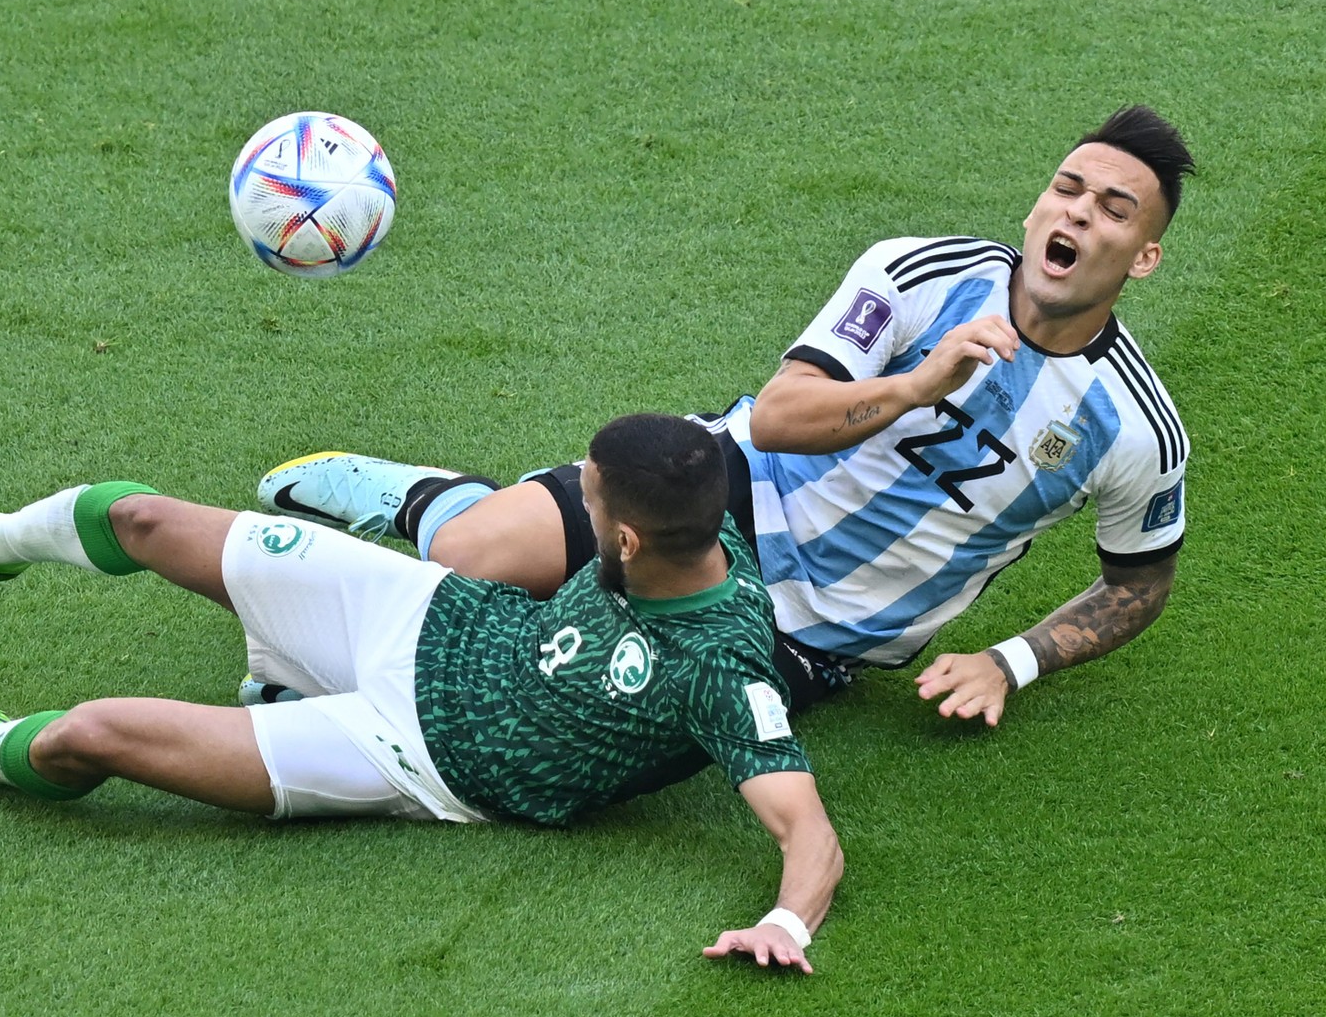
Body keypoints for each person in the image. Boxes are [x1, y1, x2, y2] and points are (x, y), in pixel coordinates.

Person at [257, 105, 1195, 727]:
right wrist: (915, 386)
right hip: (730, 482)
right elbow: (784, 416)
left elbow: (1138, 585)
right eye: (1067, 189)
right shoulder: (925, 273)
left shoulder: (1137, 429)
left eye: (1115, 209)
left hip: (817, 630)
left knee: (555, 696)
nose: (1077, 214)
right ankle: (425, 500)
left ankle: (314, 673)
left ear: (1143, 257)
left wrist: (1012, 662)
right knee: (474, 558)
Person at [0, 414, 843, 973]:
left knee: (91, 735)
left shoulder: (721, 665)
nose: (573, 488)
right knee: (139, 518)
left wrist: (785, 927)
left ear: (625, 537)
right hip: (427, 616)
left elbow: (808, 835)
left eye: (585, 490)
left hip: (417, 753)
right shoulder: (689, 530)